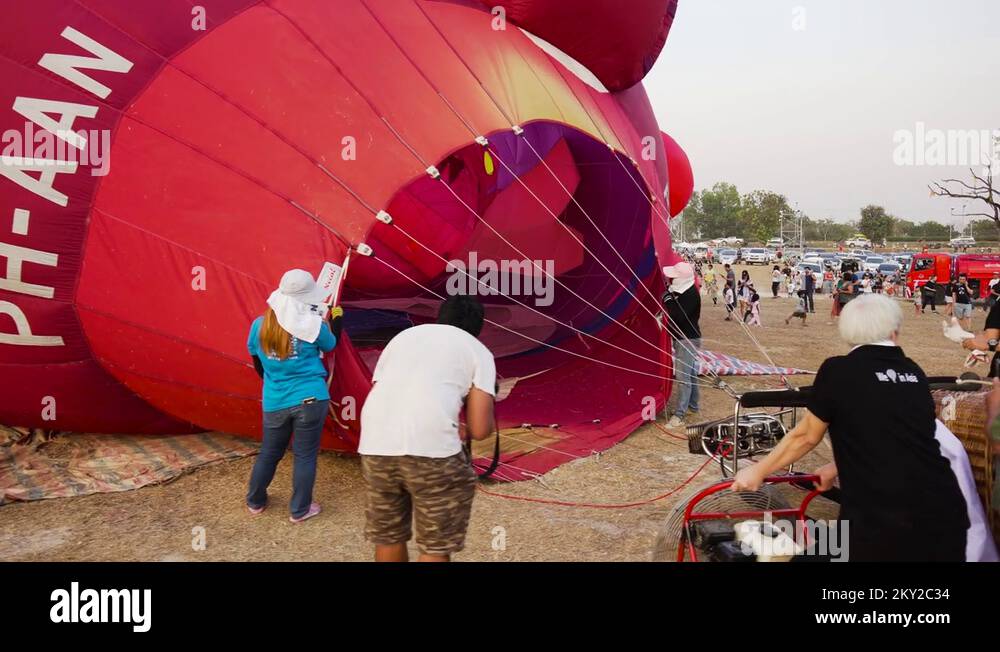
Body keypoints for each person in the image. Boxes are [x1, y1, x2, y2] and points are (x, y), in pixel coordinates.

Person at [733, 295, 970, 561]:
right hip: (946, 512)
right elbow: (903, 437)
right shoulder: (913, 372)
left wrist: (758, 470)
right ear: (894, 330)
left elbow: (805, 436)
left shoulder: (838, 370)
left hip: (883, 521)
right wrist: (836, 466)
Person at [358, 295, 496, 562]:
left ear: (440, 316)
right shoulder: (477, 350)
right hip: (433, 453)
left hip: (376, 442)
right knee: (435, 546)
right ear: (478, 326)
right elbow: (480, 430)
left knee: (388, 535)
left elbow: (389, 389)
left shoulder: (403, 338)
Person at [246, 269, 343, 523]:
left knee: (269, 452)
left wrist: (275, 383)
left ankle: (255, 501)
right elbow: (332, 345)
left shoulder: (259, 325)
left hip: (275, 400)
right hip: (311, 398)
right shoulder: (314, 326)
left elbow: (258, 364)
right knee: (305, 455)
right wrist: (337, 319)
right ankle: (300, 510)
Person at [663, 262, 702, 428]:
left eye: (674, 278)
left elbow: (678, 316)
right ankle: (693, 405)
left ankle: (680, 414)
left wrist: (668, 299)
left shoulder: (690, 295)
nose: (671, 280)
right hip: (685, 339)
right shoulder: (684, 292)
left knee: (682, 377)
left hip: (687, 340)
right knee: (691, 373)